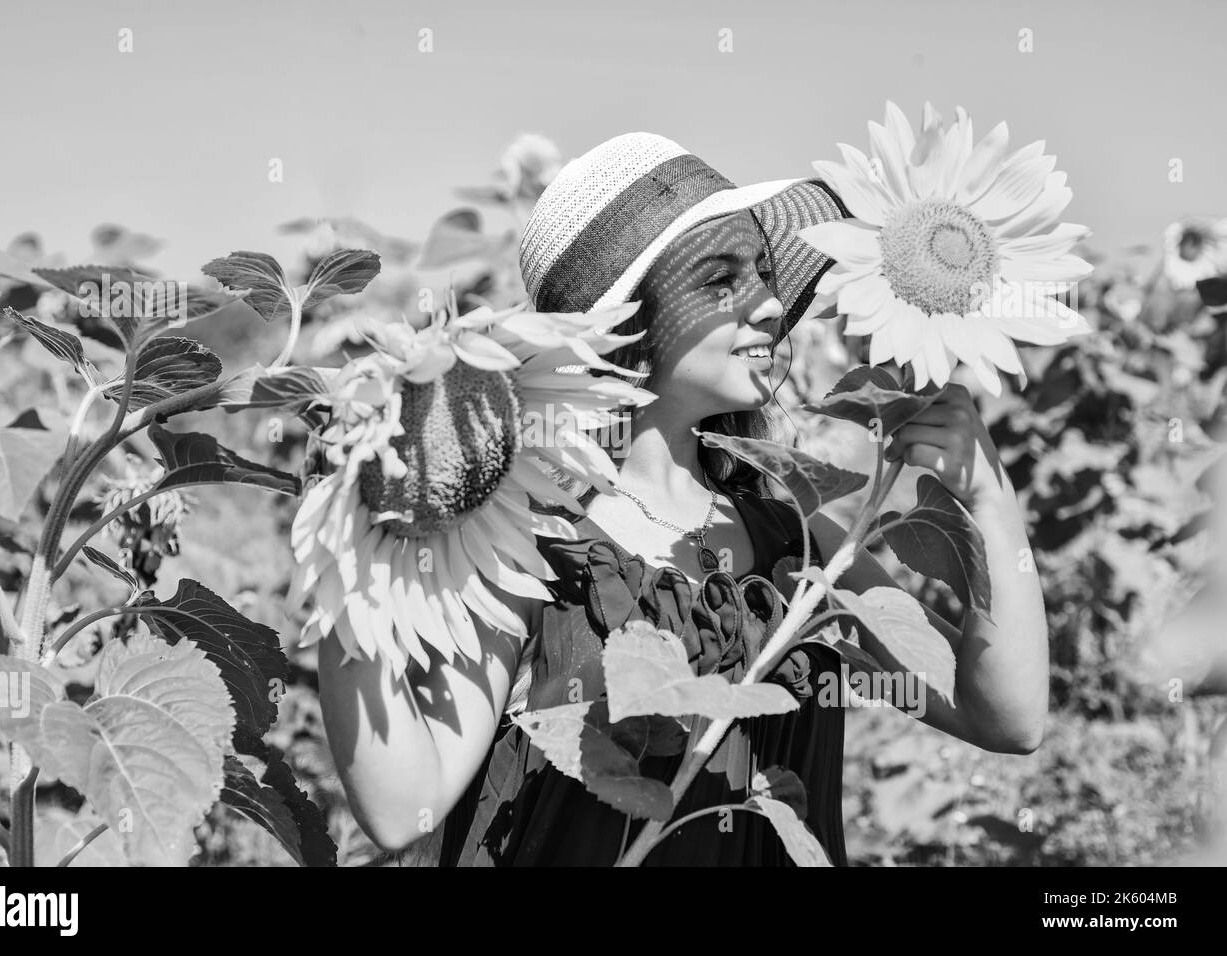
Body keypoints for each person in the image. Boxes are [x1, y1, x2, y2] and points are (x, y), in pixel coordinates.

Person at [319, 132, 1049, 866]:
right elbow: (400, 803)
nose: (768, 305)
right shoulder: (533, 540)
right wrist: (349, 555)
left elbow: (1007, 717)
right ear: (625, 324)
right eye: (720, 280)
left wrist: (989, 500)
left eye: (763, 272)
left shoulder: (801, 545)